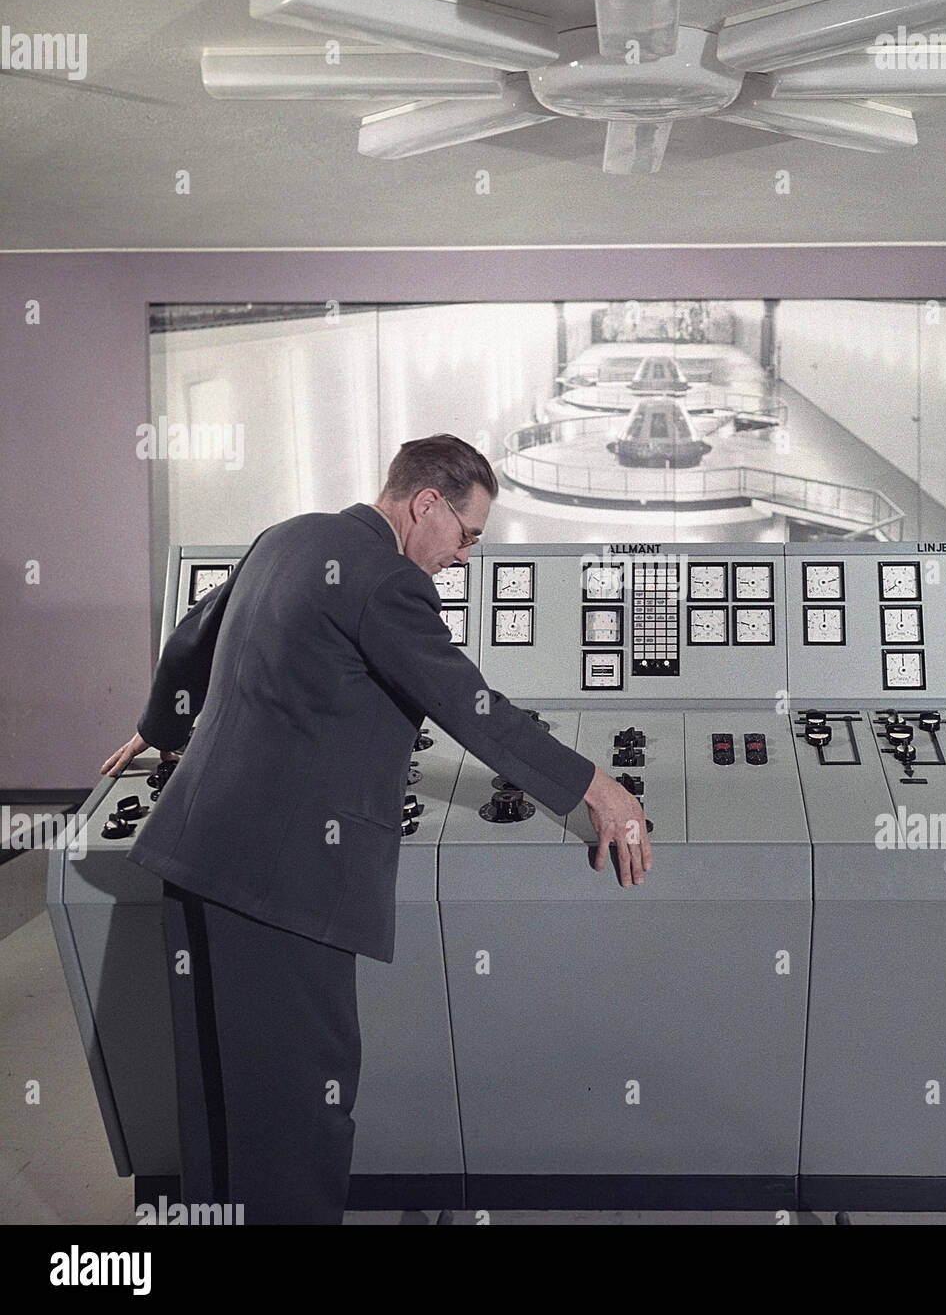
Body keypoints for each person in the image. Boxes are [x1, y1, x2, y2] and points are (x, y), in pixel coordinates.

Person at [100, 434, 651, 1224]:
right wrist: (596, 787)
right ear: (426, 504)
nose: (463, 558)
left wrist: (159, 726)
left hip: (193, 857)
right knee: (296, 1124)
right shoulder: (387, 580)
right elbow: (469, 706)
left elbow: (191, 639)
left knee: (220, 1104)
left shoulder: (288, 536)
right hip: (278, 888)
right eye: (466, 536)